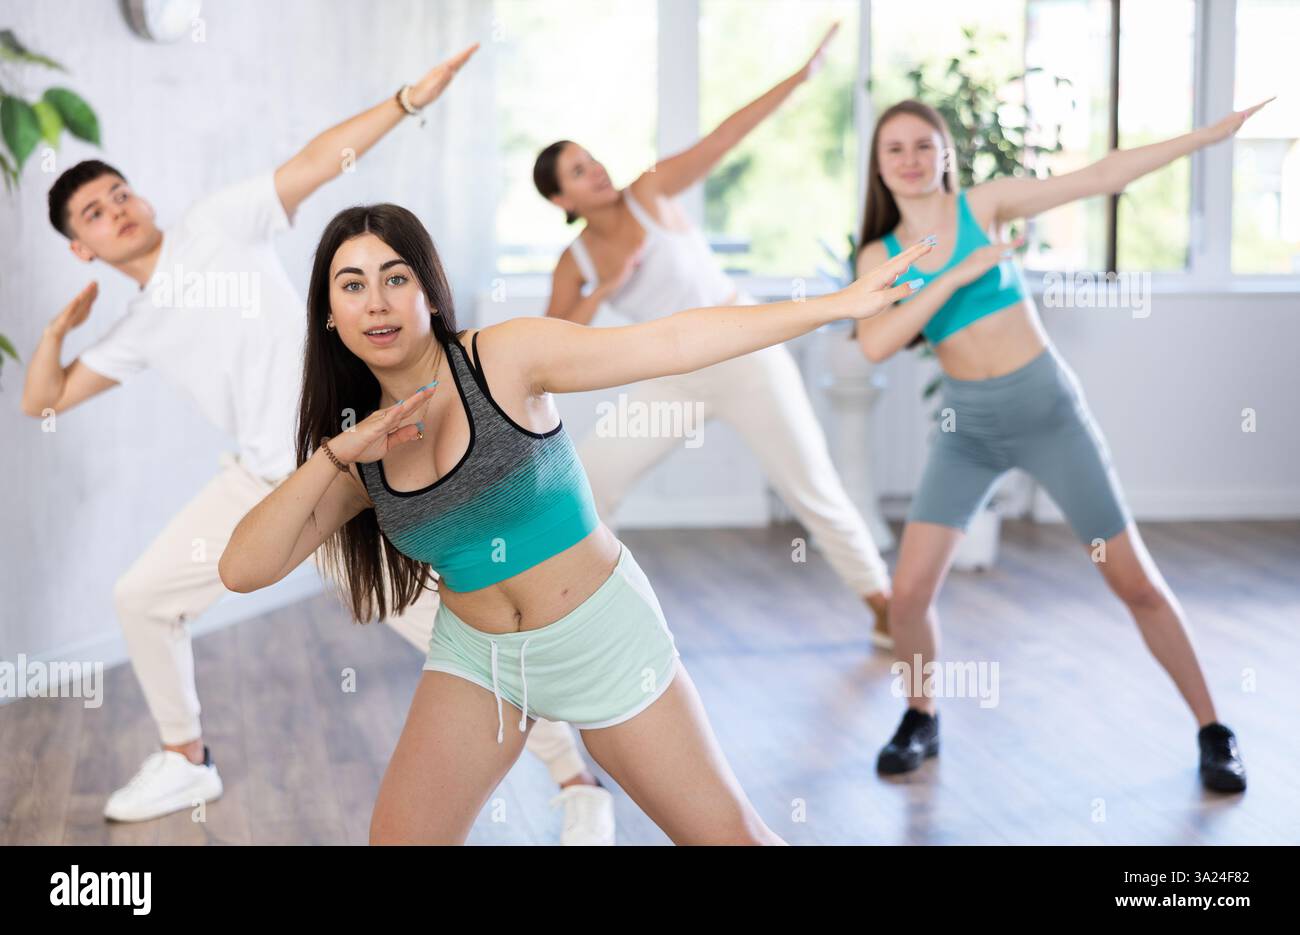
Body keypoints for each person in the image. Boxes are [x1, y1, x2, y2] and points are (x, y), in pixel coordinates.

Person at [21, 45, 620, 842]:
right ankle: (186, 755)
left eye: (120, 192)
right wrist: (56, 331)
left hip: (350, 470)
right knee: (142, 596)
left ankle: (577, 780)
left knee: (459, 631)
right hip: (264, 484)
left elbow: (314, 162)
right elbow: (43, 399)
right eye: (95, 214)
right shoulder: (134, 329)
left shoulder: (215, 224)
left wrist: (406, 100)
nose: (118, 209)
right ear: (82, 248)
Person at [217, 200, 935, 843]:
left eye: (395, 277)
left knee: (731, 839)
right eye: (352, 285)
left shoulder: (504, 358)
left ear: (429, 291)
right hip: (479, 660)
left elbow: (672, 342)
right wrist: (335, 455)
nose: (377, 302)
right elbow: (242, 570)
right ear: (330, 315)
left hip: (603, 640)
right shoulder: (357, 453)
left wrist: (836, 305)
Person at [853, 96, 1272, 793]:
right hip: (967, 431)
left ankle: (1214, 729)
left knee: (1134, 584)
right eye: (894, 149)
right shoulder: (880, 254)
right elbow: (875, 342)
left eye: (923, 144)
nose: (910, 159)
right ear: (878, 165)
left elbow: (1102, 176)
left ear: (945, 152)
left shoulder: (984, 205)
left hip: (1048, 414)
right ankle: (921, 715)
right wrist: (954, 274)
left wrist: (1207, 134)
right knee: (908, 594)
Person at [535, 23, 895, 647]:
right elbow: (556, 342)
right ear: (559, 198)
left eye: (592, 159)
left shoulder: (649, 192)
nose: (596, 171)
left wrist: (800, 78)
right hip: (677, 374)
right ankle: (572, 613)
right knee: (589, 482)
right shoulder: (577, 260)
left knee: (813, 490)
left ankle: (887, 608)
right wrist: (604, 286)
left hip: (747, 354)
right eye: (578, 170)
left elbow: (723, 138)